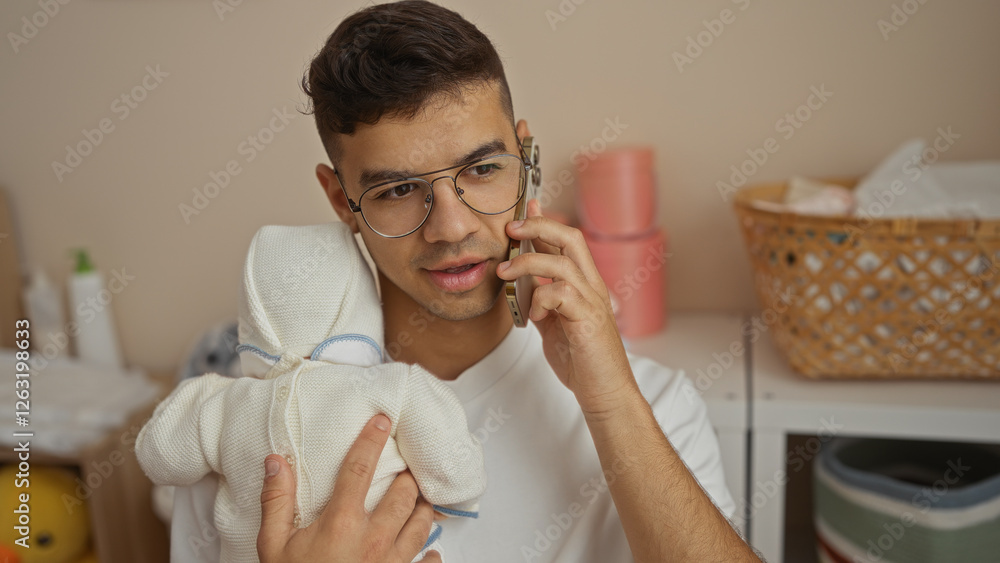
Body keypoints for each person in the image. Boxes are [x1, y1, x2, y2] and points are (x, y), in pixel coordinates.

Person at [169, 1, 764, 561]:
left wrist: (609, 402)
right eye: (399, 190)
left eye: (482, 169)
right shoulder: (257, 437)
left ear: (526, 158)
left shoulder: (653, 404)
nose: (452, 228)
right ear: (339, 198)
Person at [136, 222, 487, 562]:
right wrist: (455, 499)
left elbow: (160, 456)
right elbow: (452, 466)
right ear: (362, 307)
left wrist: (199, 396)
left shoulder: (227, 403)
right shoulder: (394, 385)